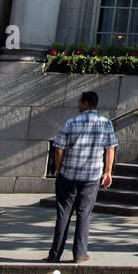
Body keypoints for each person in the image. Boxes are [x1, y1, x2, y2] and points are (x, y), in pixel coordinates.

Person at [47, 91, 117, 263]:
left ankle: (55, 254)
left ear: (85, 103)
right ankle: (79, 254)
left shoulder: (71, 122)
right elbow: (110, 148)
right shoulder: (105, 123)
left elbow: (58, 149)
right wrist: (108, 172)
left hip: (69, 174)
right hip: (92, 175)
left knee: (63, 213)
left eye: (79, 102)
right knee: (84, 213)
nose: (78, 105)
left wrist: (58, 169)